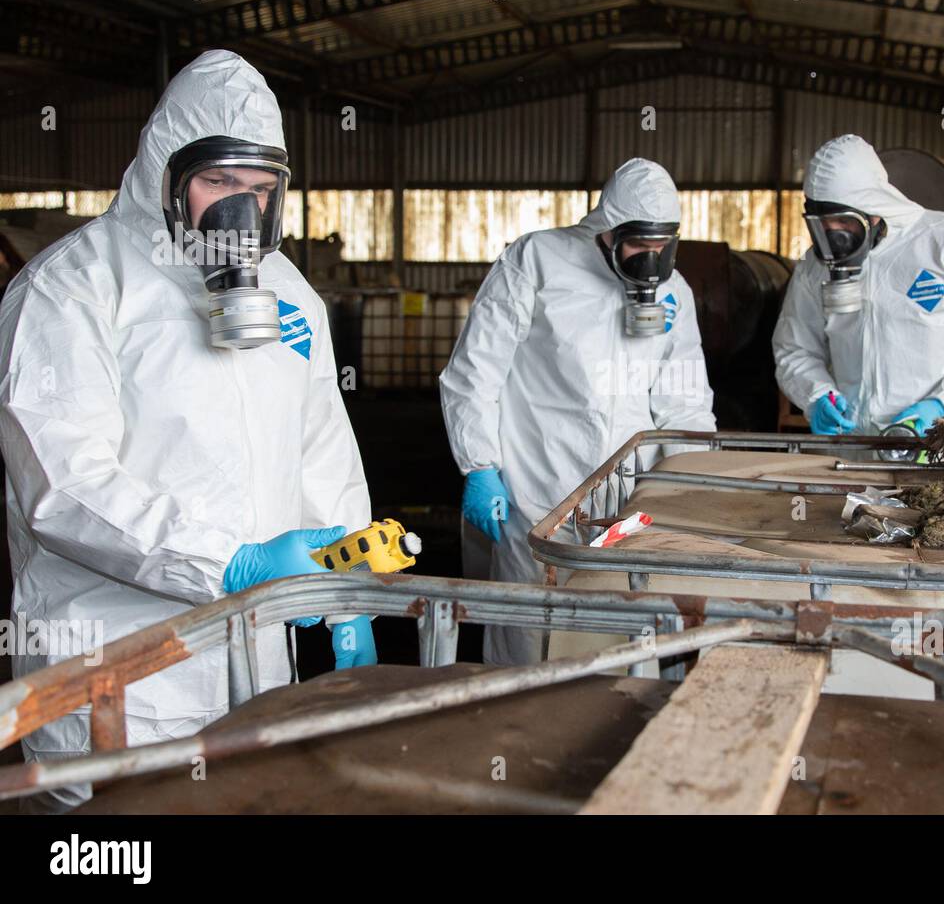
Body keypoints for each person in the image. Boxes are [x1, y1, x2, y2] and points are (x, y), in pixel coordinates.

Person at [0, 50, 373, 812]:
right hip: (115, 679)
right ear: (168, 175)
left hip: (257, 666)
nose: (242, 212)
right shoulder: (74, 288)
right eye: (220, 184)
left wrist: (348, 590)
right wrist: (227, 563)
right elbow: (64, 485)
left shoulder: (291, 295)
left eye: (260, 189)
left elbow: (322, 453)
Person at [441, 158, 716, 665]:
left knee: (621, 636)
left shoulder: (674, 292)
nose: (650, 263)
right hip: (536, 491)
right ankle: (517, 735)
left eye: (662, 249)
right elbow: (476, 370)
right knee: (528, 639)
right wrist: (479, 465)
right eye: (638, 248)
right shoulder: (538, 260)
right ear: (610, 233)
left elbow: (686, 398)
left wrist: (691, 484)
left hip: (629, 504)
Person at [773, 134, 944, 441]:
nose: (833, 237)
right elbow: (794, 349)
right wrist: (817, 395)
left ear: (873, 207)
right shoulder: (814, 265)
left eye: (843, 222)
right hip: (852, 451)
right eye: (821, 224)